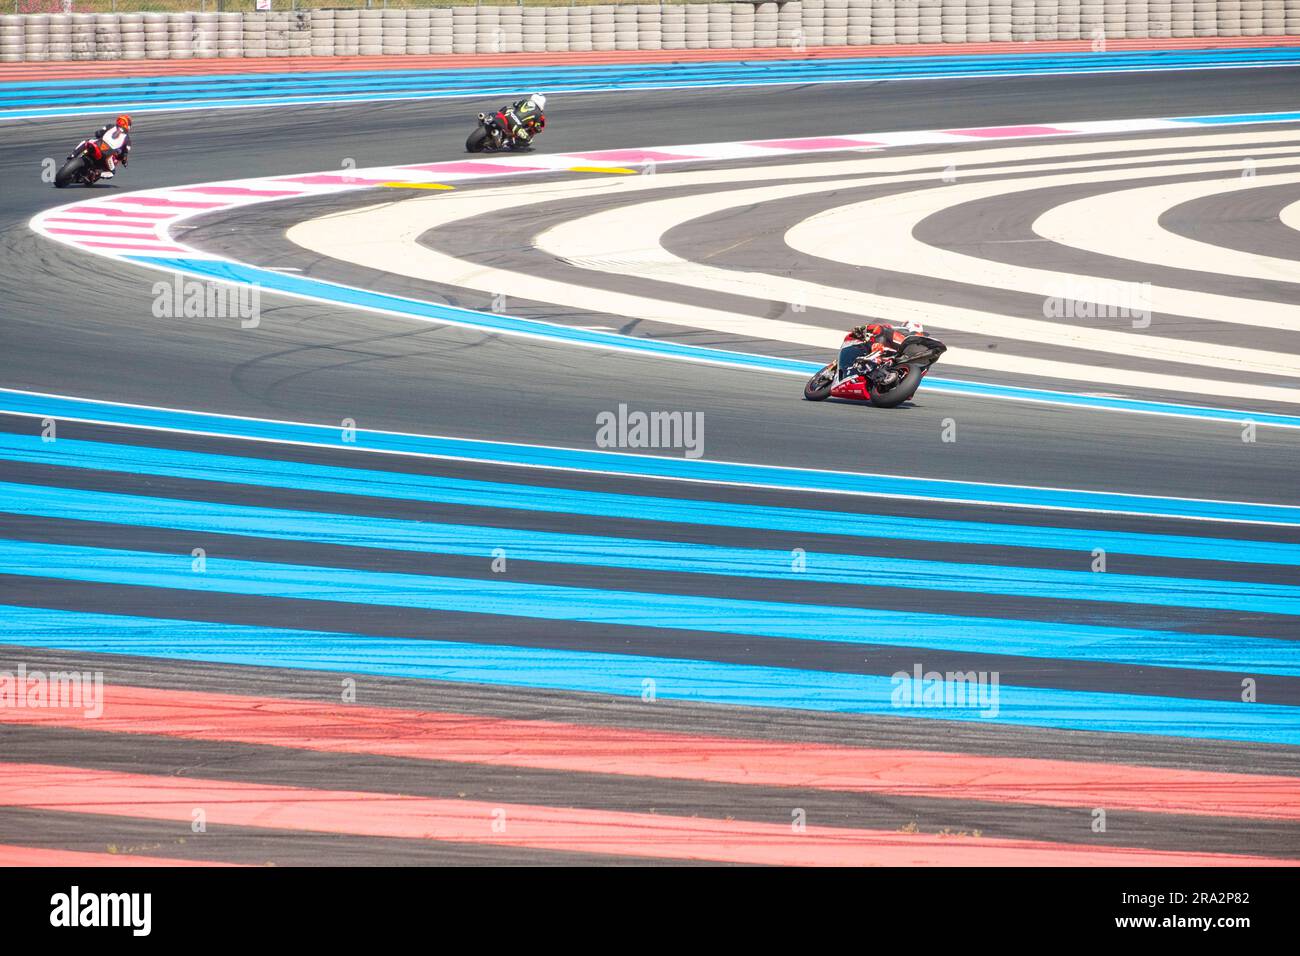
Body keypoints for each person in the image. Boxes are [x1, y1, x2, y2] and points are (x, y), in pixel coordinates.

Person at [90, 114, 132, 179]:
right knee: (112, 173)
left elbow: (98, 133)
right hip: (108, 155)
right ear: (128, 126)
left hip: (98, 145)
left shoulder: (110, 126)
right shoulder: (127, 139)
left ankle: (72, 156)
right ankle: (97, 173)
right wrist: (124, 161)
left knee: (85, 142)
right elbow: (125, 153)